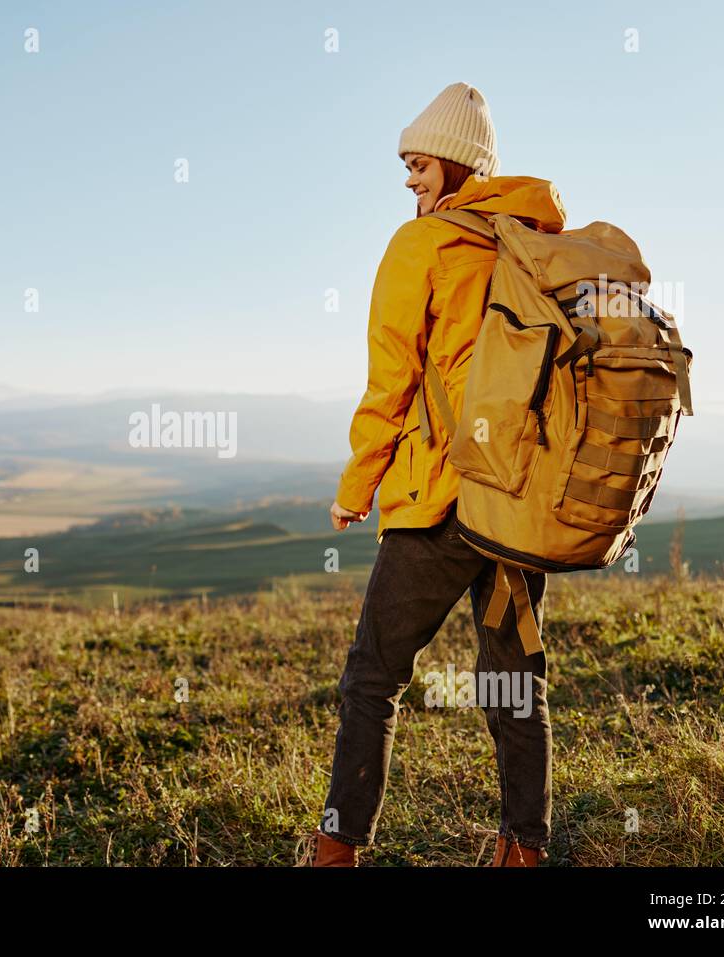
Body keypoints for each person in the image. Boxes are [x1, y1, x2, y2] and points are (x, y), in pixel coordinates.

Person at [303, 82, 567, 867]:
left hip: (443, 498)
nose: (409, 178)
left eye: (418, 162)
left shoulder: (418, 246)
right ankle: (525, 849)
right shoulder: (525, 240)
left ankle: (336, 848)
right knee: (513, 681)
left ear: (454, 163)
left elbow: (391, 382)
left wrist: (357, 489)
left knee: (372, 677)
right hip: (517, 501)